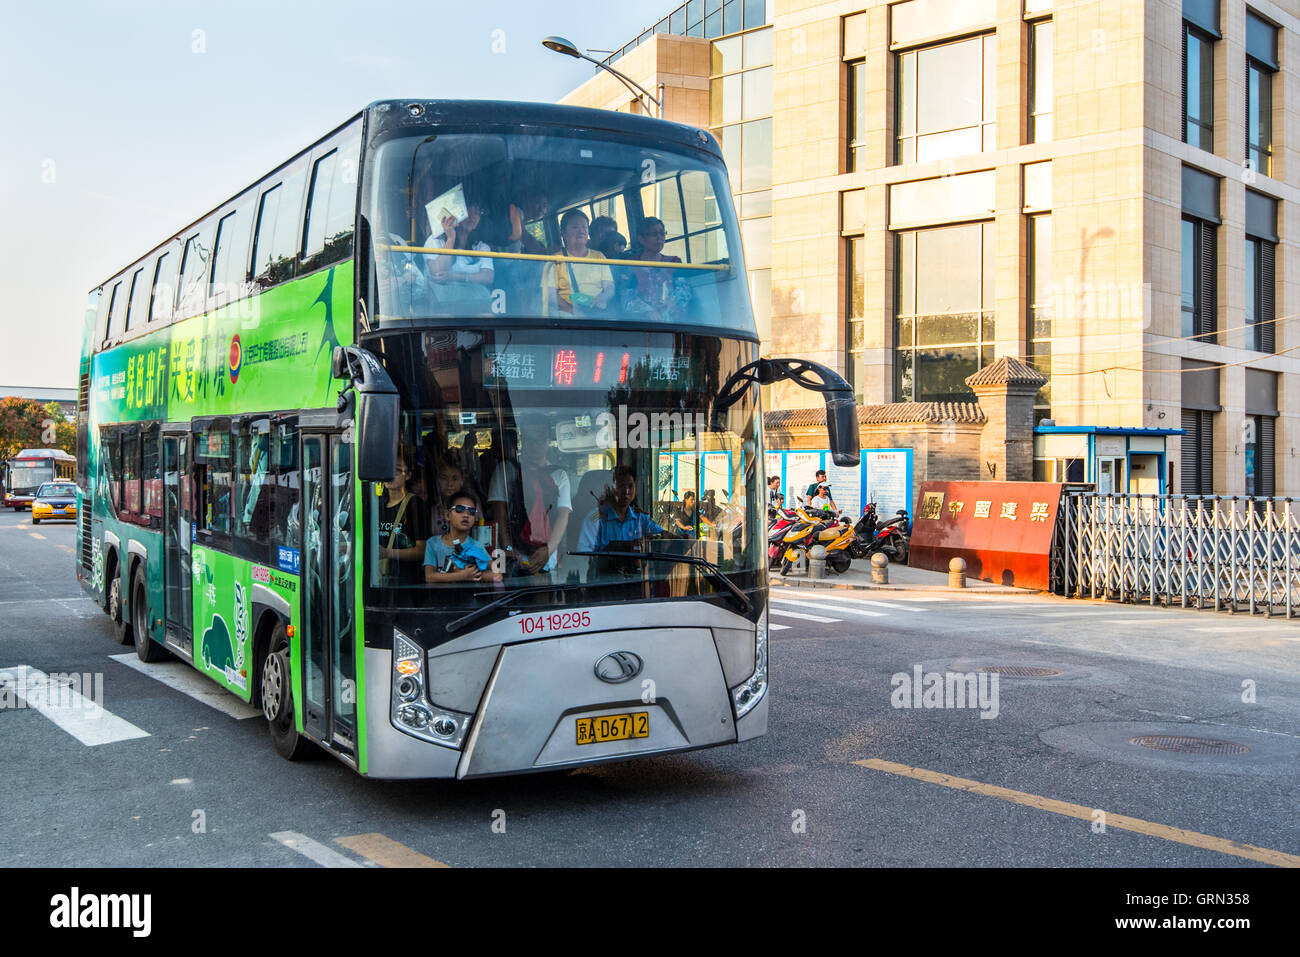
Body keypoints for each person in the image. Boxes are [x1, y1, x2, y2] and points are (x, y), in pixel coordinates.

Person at [488, 418, 571, 575]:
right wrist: (508, 550)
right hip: (513, 553)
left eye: (540, 438)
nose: (535, 444)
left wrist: (548, 550)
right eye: (530, 438)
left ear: (548, 440)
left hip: (547, 553)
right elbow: (499, 514)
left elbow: (563, 516)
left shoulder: (559, 474)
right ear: (523, 440)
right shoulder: (506, 470)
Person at [577, 466, 666, 553]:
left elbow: (665, 537)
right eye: (621, 486)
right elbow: (585, 555)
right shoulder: (595, 520)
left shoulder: (641, 519)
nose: (626, 491)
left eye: (630, 486)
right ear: (609, 489)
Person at [543, 209, 613, 316]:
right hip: (567, 312)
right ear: (563, 233)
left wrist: (601, 298)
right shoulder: (554, 260)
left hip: (595, 310)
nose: (581, 231)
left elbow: (609, 287)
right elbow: (550, 294)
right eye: (575, 227)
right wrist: (571, 311)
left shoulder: (599, 257)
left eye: (584, 227)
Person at [426, 202, 494, 312]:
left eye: (477, 213)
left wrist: (453, 276)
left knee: (487, 319)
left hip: (477, 306)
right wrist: (451, 238)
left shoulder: (482, 247)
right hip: (443, 308)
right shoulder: (435, 241)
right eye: (468, 211)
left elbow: (488, 276)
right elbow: (437, 272)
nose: (473, 217)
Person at [375, 456, 430, 587]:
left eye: (397, 470)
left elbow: (422, 551)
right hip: (380, 580)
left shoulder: (415, 505)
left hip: (406, 582)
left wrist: (388, 553)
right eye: (387, 470)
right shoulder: (377, 505)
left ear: (408, 475)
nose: (390, 475)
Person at [423, 492, 500, 584]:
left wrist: (474, 575)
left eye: (471, 511)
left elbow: (497, 573)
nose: (466, 515)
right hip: (439, 597)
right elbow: (429, 577)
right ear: (447, 515)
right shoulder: (433, 543)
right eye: (460, 509)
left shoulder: (476, 546)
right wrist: (462, 575)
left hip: (468, 597)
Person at [622, 217, 689, 321]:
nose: (659, 237)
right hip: (641, 322)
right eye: (654, 234)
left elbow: (684, 292)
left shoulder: (674, 262)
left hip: (673, 321)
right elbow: (625, 297)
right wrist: (648, 311)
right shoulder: (631, 265)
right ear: (641, 239)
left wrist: (668, 306)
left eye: (662, 233)